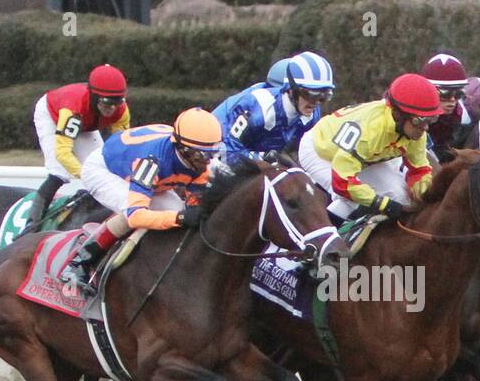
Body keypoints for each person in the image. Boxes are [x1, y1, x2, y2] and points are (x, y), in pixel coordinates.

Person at [59, 108, 224, 296]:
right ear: (183, 149)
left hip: (148, 175)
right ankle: (80, 262)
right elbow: (137, 216)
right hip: (105, 170)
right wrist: (180, 218)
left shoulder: (198, 161)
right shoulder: (152, 160)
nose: (208, 162)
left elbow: (196, 208)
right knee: (143, 213)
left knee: (177, 210)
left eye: (213, 153)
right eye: (202, 155)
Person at [299, 73, 443, 224]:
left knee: (401, 196)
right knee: (350, 199)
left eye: (431, 119)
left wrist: (425, 198)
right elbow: (343, 182)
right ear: (398, 115)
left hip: (364, 158)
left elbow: (419, 170)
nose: (425, 128)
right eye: (420, 120)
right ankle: (319, 241)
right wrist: (382, 204)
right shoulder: (369, 131)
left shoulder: (416, 131)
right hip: (320, 151)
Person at [25, 64, 130, 232]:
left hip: (86, 123)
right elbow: (63, 153)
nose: (112, 108)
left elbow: (121, 148)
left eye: (118, 102)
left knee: (105, 167)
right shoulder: (74, 109)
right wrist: (88, 175)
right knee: (59, 172)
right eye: (107, 102)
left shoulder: (121, 111)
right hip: (52, 115)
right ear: (94, 97)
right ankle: (31, 225)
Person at [212, 51, 334, 164]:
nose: (315, 103)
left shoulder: (312, 115)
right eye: (310, 95)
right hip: (216, 147)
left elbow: (305, 153)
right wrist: (263, 158)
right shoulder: (260, 109)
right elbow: (227, 152)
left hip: (250, 150)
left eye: (323, 96)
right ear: (291, 90)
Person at [421, 52, 472, 161]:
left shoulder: (465, 119)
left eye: (458, 94)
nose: (453, 101)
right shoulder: (411, 116)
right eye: (445, 95)